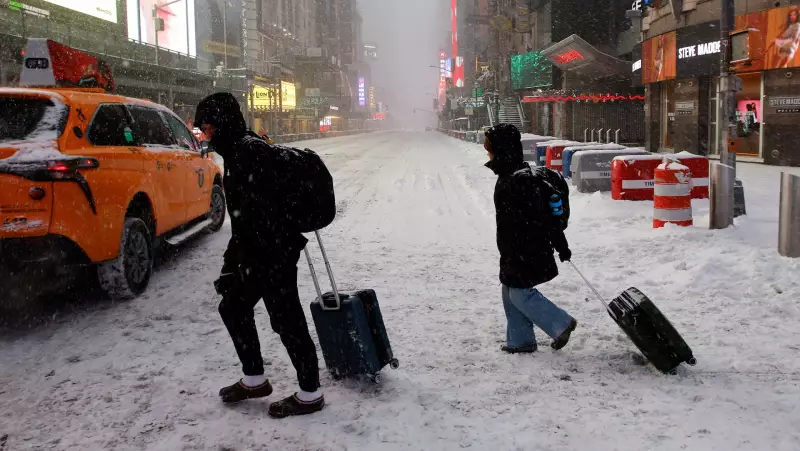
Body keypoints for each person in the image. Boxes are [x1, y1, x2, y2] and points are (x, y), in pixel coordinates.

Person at [194, 93, 325, 418]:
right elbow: (243, 221)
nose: (205, 134)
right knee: (233, 306)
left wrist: (245, 259)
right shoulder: (240, 151)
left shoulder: (250, 153)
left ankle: (310, 393)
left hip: (275, 250)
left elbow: (259, 217)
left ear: (220, 124)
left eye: (207, 127)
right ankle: (254, 379)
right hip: (258, 251)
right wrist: (232, 266)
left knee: (286, 320)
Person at [483, 123, 578, 354]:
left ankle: (561, 324)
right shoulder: (509, 175)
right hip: (513, 249)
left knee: (520, 292)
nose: (488, 153)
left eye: (491, 149)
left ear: (502, 150)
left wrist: (561, 246)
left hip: (529, 250)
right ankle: (521, 340)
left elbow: (545, 219)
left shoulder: (522, 182)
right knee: (509, 291)